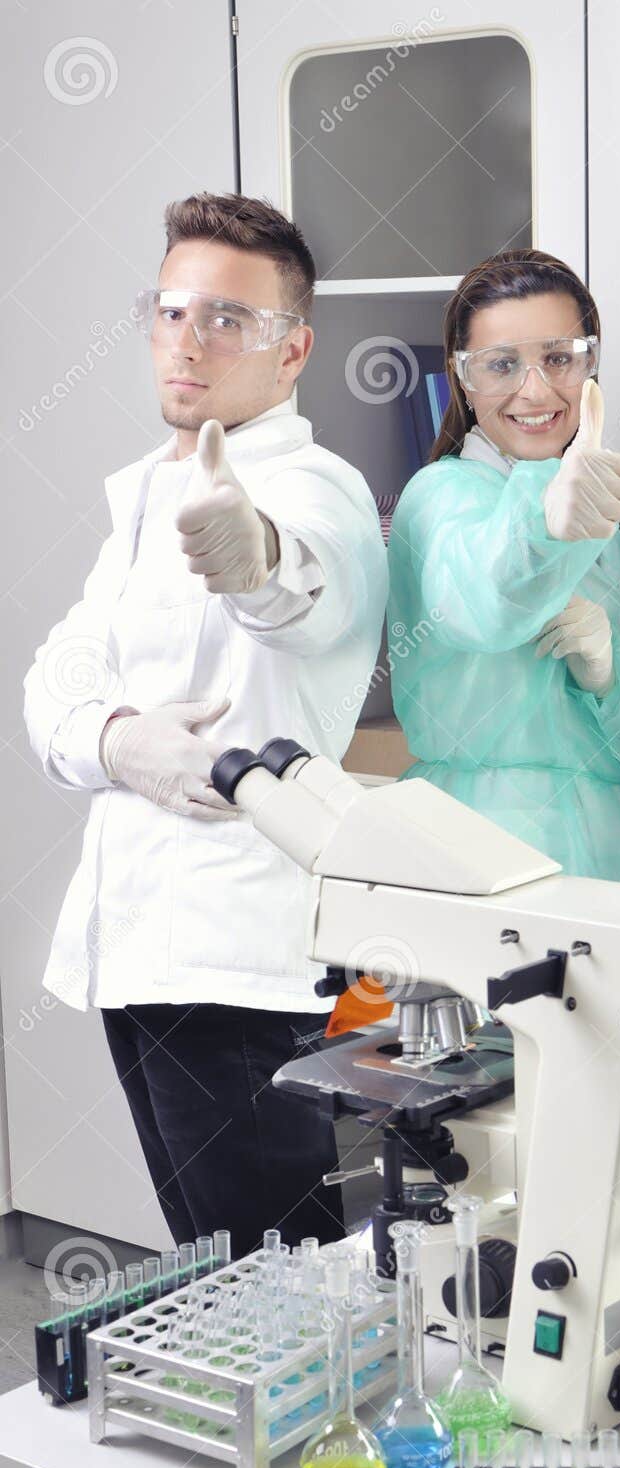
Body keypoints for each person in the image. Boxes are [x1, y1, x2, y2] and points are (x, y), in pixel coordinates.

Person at [24, 194, 388, 1258]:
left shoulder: (317, 486)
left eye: (229, 317)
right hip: (135, 950)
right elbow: (52, 681)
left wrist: (256, 558)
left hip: (239, 966)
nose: (190, 338)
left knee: (278, 1273)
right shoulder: (147, 492)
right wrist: (111, 740)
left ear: (294, 350)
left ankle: (328, 1429)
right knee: (217, 1269)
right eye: (172, 310)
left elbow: (302, 583)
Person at [385, 250, 620, 889]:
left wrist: (613, 673)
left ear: (588, 366)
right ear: (462, 379)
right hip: (475, 844)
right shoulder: (440, 496)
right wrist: (544, 527)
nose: (535, 390)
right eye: (502, 365)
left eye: (559, 358)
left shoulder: (615, 534)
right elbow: (481, 604)